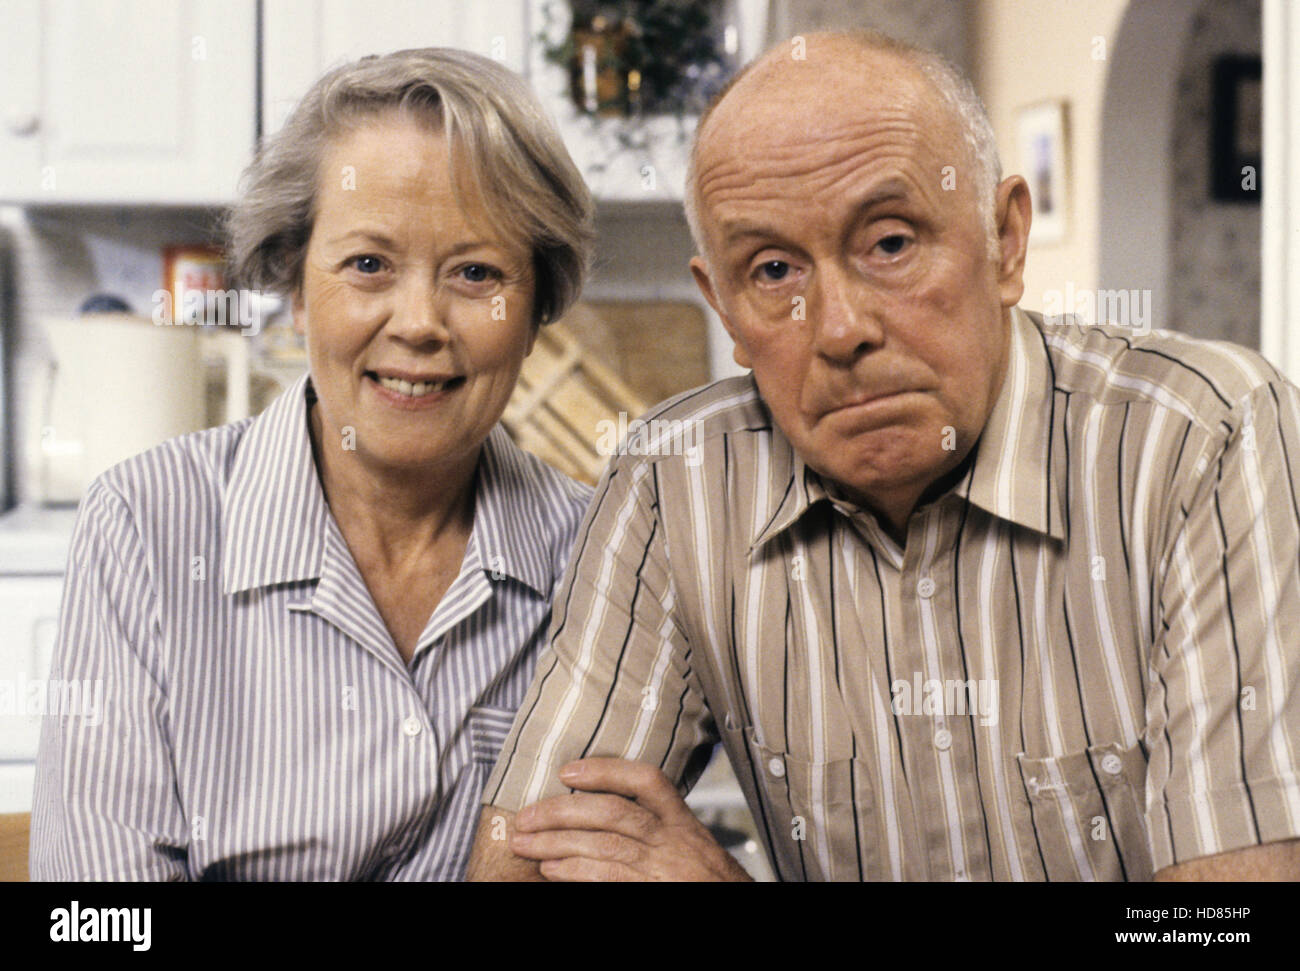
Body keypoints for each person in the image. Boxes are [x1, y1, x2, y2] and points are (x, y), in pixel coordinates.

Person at [466, 30, 1300, 881]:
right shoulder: (672, 480)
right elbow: (523, 862)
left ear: (1006, 239)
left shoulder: (1205, 436)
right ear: (722, 307)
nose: (839, 330)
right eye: (775, 270)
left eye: (891, 244)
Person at [30, 47, 594, 880]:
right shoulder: (147, 523)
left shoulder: (595, 553)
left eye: (476, 272)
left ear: (536, 304)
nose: (419, 323)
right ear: (296, 286)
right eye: (368, 264)